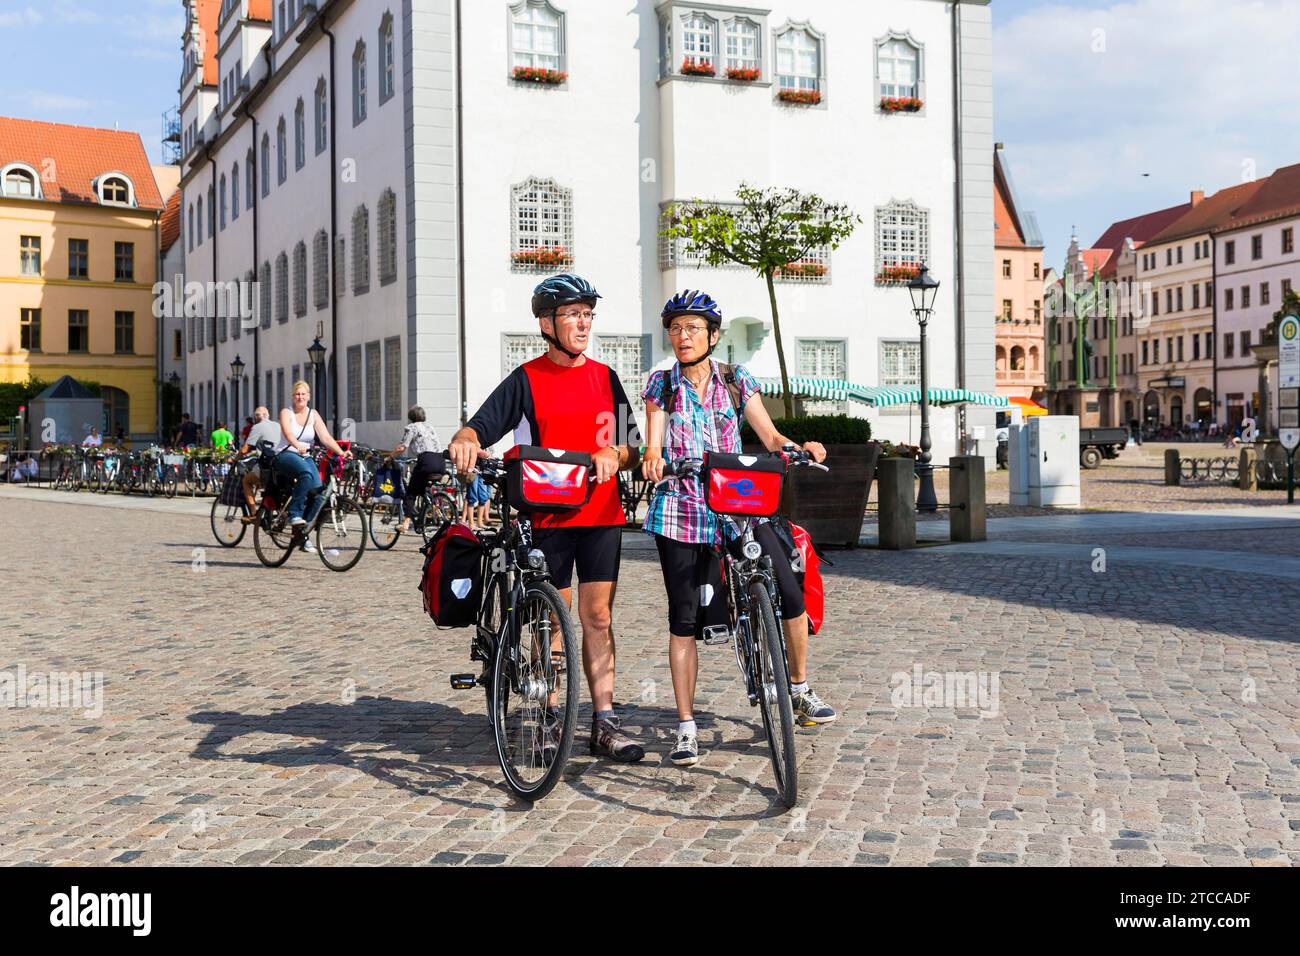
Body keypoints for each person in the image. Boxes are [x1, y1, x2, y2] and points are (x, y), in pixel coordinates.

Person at [447, 273, 644, 763]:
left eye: (588, 314)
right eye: (574, 315)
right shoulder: (526, 379)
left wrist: (614, 453)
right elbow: (482, 425)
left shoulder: (606, 377)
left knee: (597, 617)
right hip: (547, 518)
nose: (584, 323)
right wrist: (467, 439)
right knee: (550, 620)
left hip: (600, 514)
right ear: (546, 323)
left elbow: (633, 445)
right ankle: (550, 716)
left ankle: (604, 722)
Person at [641, 289, 833, 768]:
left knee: (789, 590)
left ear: (712, 335)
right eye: (676, 328)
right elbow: (655, 440)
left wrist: (800, 446)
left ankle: (799, 688)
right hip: (682, 508)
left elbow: (769, 436)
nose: (683, 336)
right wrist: (652, 456)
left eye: (692, 328)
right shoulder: (661, 384)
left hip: (739, 503)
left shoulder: (735, 380)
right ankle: (686, 727)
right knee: (684, 618)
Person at [274, 380, 351, 551]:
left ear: (308, 396)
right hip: (285, 454)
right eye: (297, 394)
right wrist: (297, 444)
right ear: (293, 397)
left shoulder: (313, 414)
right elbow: (287, 433)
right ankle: (294, 514)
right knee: (306, 475)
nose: (300, 397)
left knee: (319, 494)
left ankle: (303, 535)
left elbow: (326, 437)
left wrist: (341, 452)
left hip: (304, 456)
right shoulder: (286, 412)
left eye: (303, 394)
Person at [392, 406, 443, 535]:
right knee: (423, 487)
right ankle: (436, 510)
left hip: (426, 461)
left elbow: (402, 447)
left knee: (411, 492)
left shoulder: (412, 428)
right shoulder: (430, 427)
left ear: (411, 418)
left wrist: (390, 456)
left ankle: (405, 523)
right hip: (440, 461)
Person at [236, 407, 282, 524]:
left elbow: (245, 449)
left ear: (257, 417)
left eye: (255, 415)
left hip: (267, 465)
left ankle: (253, 512)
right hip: (281, 464)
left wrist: (234, 459)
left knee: (246, 481)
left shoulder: (257, 427)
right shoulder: (278, 425)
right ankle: (267, 509)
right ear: (268, 415)